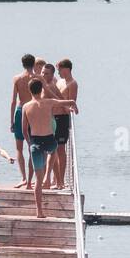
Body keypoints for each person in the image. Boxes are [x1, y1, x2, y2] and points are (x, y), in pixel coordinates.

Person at [21, 79, 79, 219]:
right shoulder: (49, 102)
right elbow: (68, 102)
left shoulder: (26, 106)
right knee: (53, 150)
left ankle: (39, 211)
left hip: (35, 142)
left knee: (38, 181)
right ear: (41, 89)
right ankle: (49, 174)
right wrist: (74, 107)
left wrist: (29, 144)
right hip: (49, 140)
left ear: (30, 91)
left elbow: (24, 130)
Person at [47, 58, 78, 190]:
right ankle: (55, 179)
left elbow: (71, 102)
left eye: (59, 69)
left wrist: (69, 108)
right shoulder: (58, 81)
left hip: (63, 118)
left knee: (60, 149)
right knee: (52, 149)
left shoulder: (72, 83)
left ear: (66, 69)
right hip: (53, 117)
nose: (58, 72)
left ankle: (62, 179)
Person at [9, 55, 40, 187]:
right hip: (33, 111)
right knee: (32, 147)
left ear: (22, 64)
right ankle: (29, 181)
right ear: (34, 64)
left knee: (19, 148)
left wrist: (11, 121)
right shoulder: (38, 78)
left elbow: (13, 101)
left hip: (20, 110)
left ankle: (22, 177)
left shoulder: (17, 78)